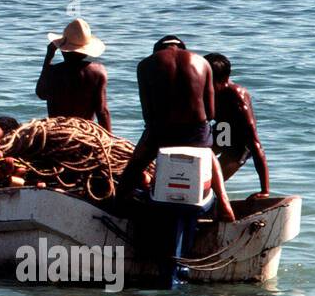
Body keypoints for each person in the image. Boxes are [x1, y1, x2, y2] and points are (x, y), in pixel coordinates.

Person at [114, 36, 234, 220]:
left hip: (162, 130)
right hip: (196, 131)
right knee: (209, 155)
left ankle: (117, 205)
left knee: (134, 167)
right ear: (182, 48)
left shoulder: (146, 64)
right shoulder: (202, 62)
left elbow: (147, 112)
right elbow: (210, 112)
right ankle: (224, 203)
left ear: (157, 50)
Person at [205, 53, 270, 198]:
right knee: (192, 166)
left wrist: (264, 190)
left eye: (208, 81)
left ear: (223, 79)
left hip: (240, 144)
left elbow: (255, 143)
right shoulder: (206, 92)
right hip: (223, 131)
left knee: (211, 182)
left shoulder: (237, 97)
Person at [35, 18, 112, 131]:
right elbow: (102, 111)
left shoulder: (53, 72)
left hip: (58, 132)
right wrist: (109, 142)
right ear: (86, 51)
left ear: (61, 49)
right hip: (84, 132)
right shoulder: (98, 72)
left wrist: (48, 57)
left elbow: (41, 94)